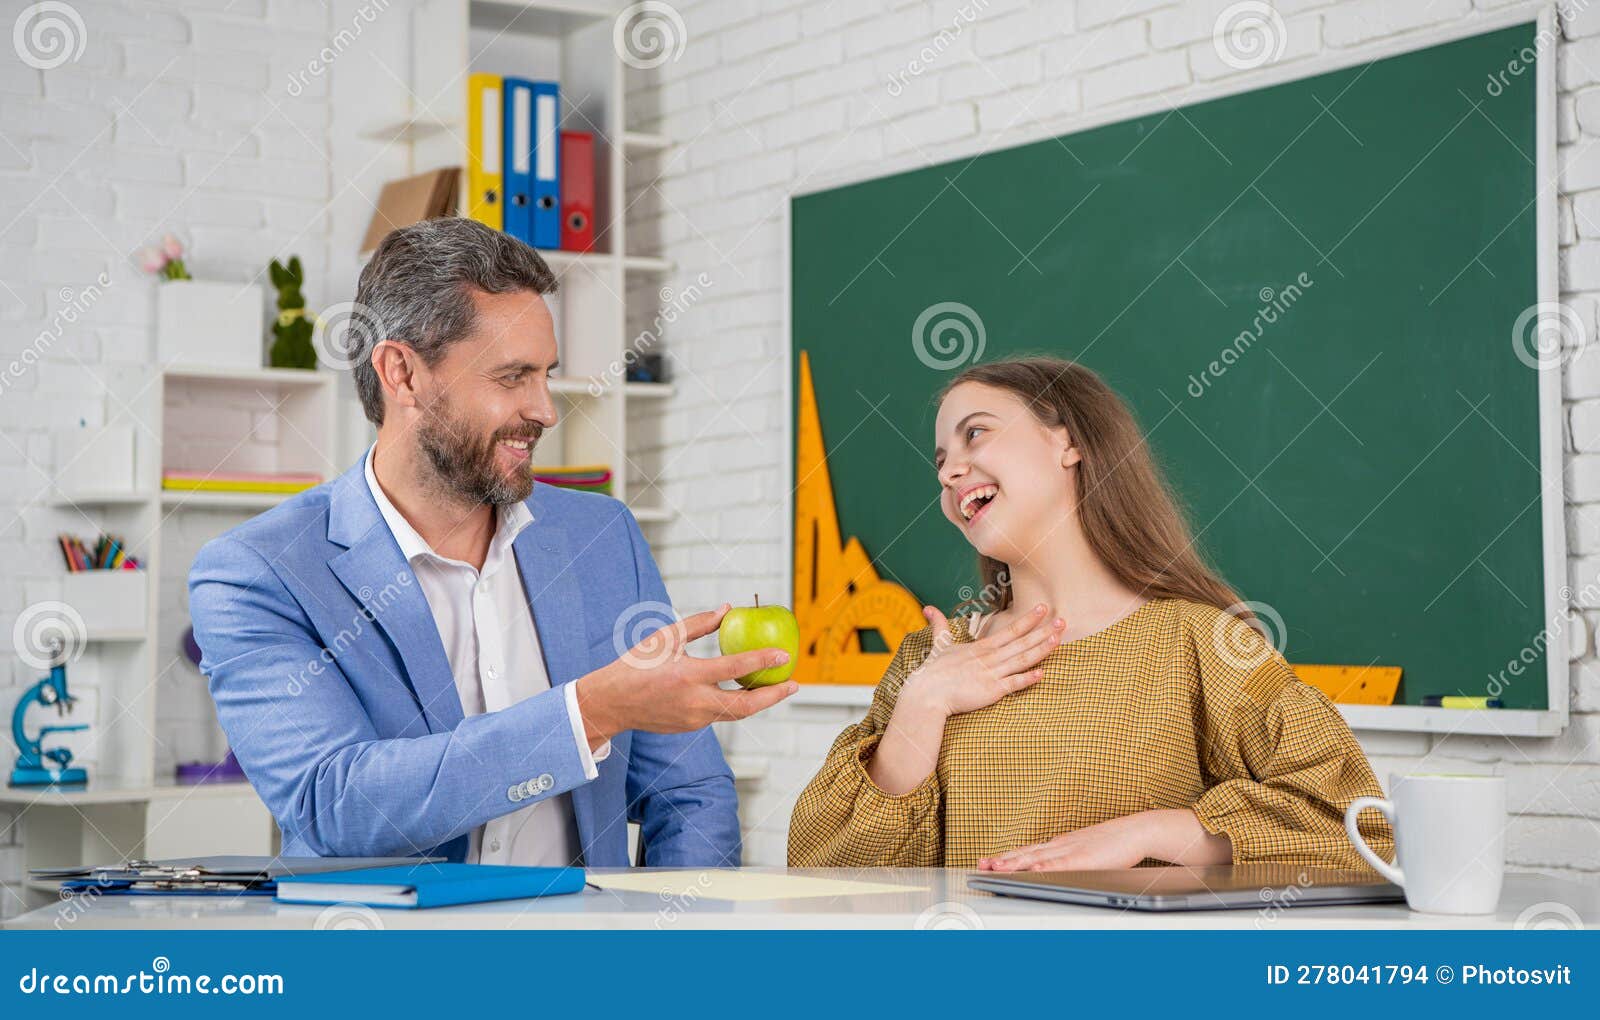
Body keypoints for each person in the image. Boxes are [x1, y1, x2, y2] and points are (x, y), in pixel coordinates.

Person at [189, 218, 795, 866]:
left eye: (546, 374)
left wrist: (667, 928)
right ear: (402, 373)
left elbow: (689, 794)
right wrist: (586, 714)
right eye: (512, 377)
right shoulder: (260, 574)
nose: (545, 409)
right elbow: (334, 802)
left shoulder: (602, 537)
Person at [788, 356, 1394, 871]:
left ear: (1068, 442)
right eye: (940, 459)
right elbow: (821, 875)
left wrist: (1152, 833)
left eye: (976, 434)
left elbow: (1356, 830)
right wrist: (923, 705)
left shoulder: (1198, 642)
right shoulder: (932, 661)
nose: (948, 472)